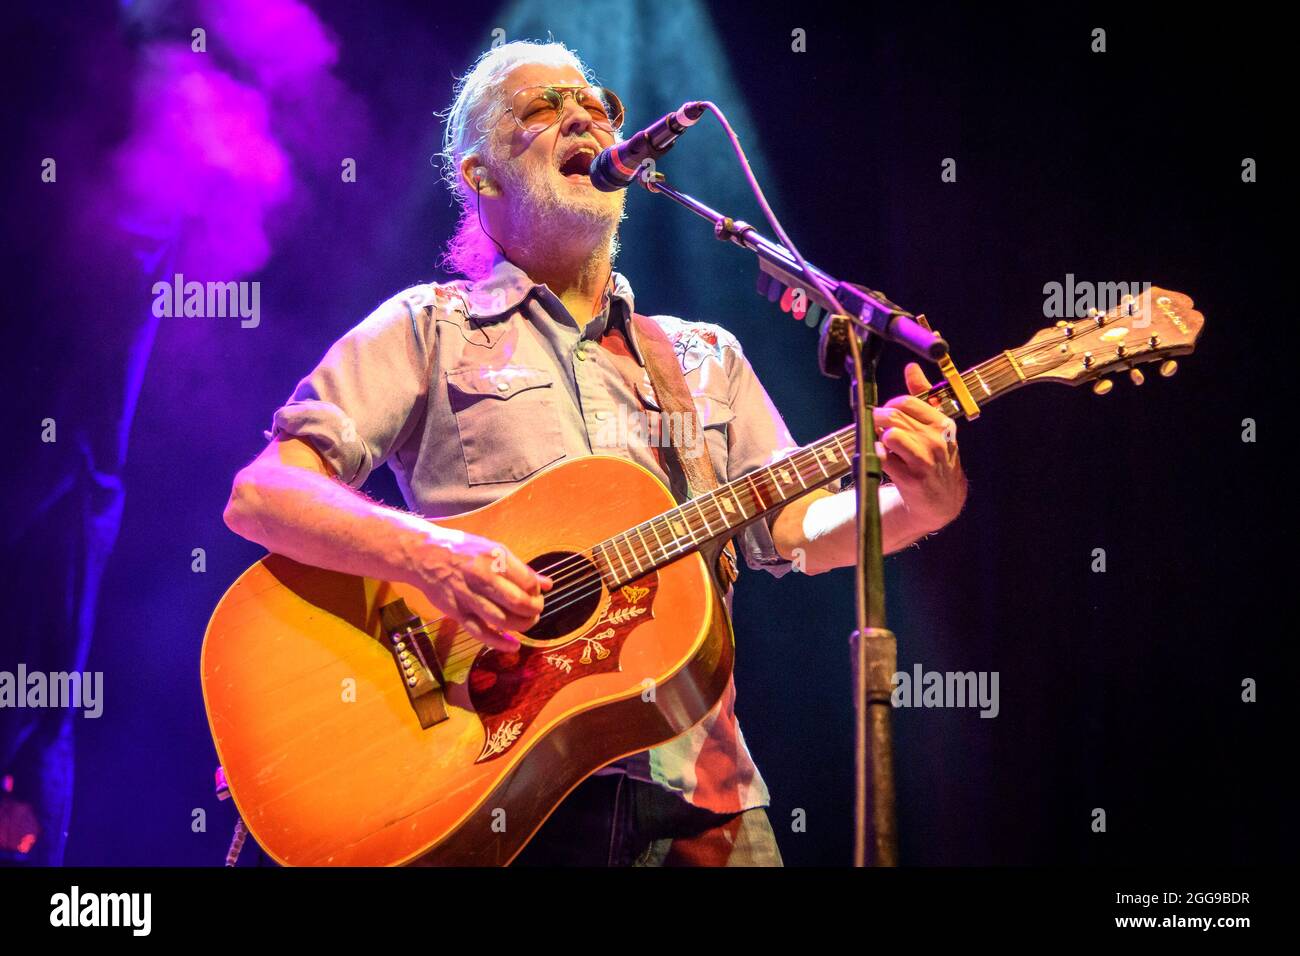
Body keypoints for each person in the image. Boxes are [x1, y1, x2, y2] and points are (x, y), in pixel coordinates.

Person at [222, 40, 967, 867]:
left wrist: (923, 503)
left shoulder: (703, 357)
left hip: (703, 800)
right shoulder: (428, 328)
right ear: (480, 175)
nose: (585, 113)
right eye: (542, 107)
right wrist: (430, 556)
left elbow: (796, 530)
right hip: (500, 792)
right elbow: (264, 496)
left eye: (598, 103)